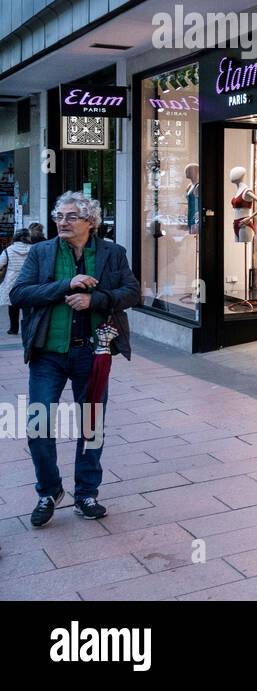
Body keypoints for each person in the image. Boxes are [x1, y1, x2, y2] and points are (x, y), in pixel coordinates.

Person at [12, 192, 141, 527]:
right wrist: (64, 285)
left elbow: (132, 293)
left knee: (92, 425)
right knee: (37, 426)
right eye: (58, 215)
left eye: (71, 216)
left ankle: (86, 493)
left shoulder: (113, 253)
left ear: (90, 221)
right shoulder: (41, 252)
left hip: (92, 354)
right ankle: (49, 490)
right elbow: (19, 294)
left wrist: (95, 300)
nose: (62, 222)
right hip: (47, 355)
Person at [0, 229, 34, 334]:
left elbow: (0, 264)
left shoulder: (9, 250)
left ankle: (13, 329)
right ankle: (29, 328)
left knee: (13, 305)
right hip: (28, 279)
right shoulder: (33, 249)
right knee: (27, 306)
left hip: (12, 280)